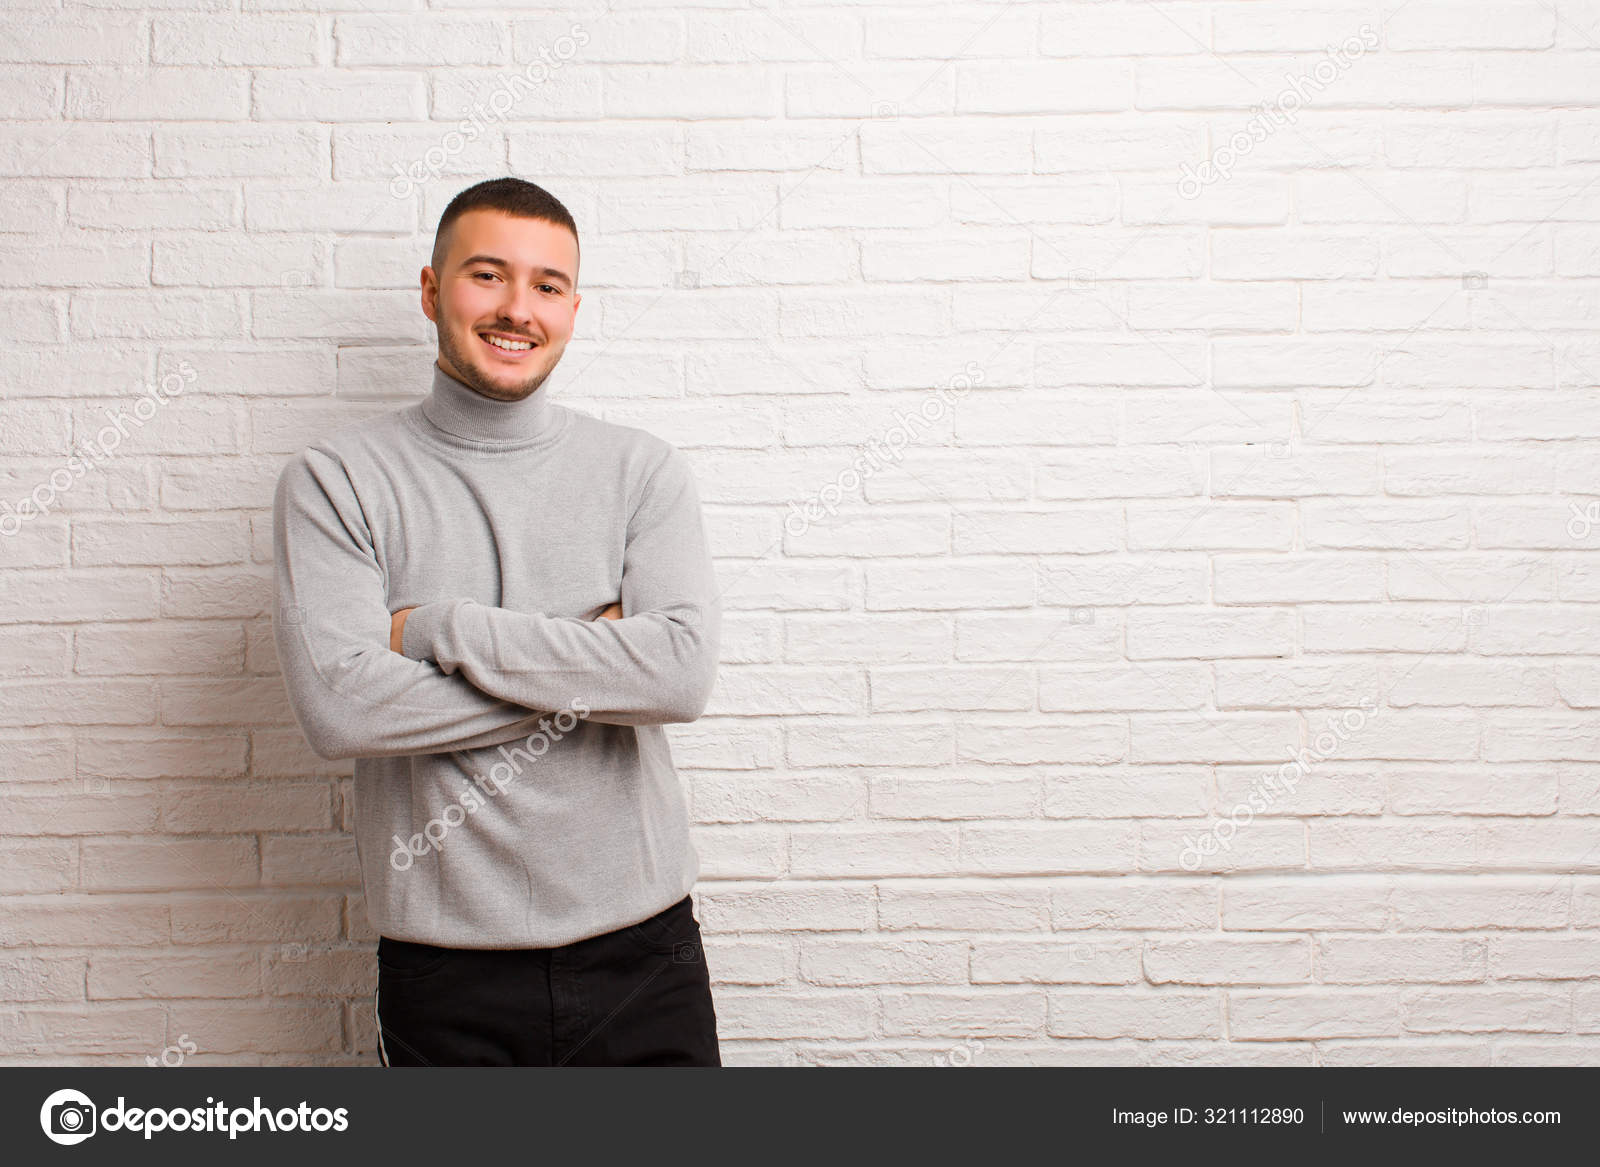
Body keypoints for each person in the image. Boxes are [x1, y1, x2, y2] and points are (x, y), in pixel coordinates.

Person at [271, 177, 722, 1066]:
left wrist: (438, 628)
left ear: (573, 308)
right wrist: (596, 662)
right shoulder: (337, 480)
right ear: (434, 289)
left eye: (548, 286)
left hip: (646, 954)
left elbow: (677, 674)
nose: (519, 308)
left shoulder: (642, 471)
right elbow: (344, 709)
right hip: (447, 973)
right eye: (488, 275)